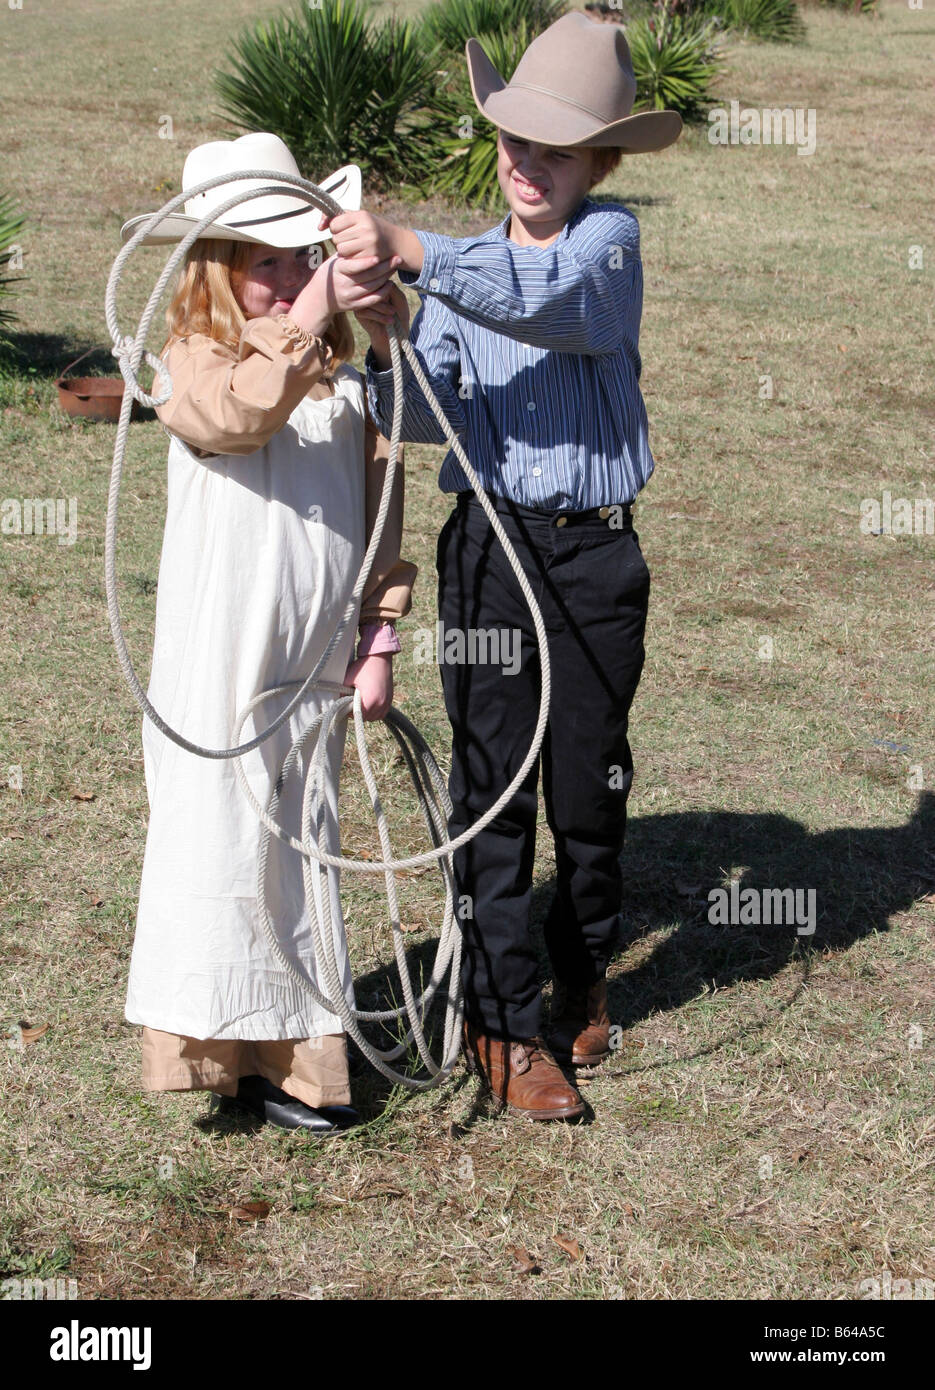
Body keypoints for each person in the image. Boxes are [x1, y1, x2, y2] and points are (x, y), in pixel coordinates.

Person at [322, 14, 682, 1121]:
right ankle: (502, 1022)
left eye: (557, 151)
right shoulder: (463, 272)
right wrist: (378, 328)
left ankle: (578, 965)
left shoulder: (605, 246)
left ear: (599, 165)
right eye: (515, 143)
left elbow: (551, 304)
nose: (527, 166)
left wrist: (413, 255)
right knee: (490, 793)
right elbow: (419, 404)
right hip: (487, 543)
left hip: (592, 555)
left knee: (587, 784)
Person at [120, 133, 417, 1134]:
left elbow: (383, 501)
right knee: (217, 835)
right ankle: (218, 1055)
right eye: (266, 264)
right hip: (219, 654)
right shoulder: (189, 365)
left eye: (302, 258)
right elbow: (235, 416)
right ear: (216, 270)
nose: (291, 279)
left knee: (302, 840)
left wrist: (377, 636)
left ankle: (299, 1063)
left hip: (311, 654)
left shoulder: (338, 378)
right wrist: (313, 314)